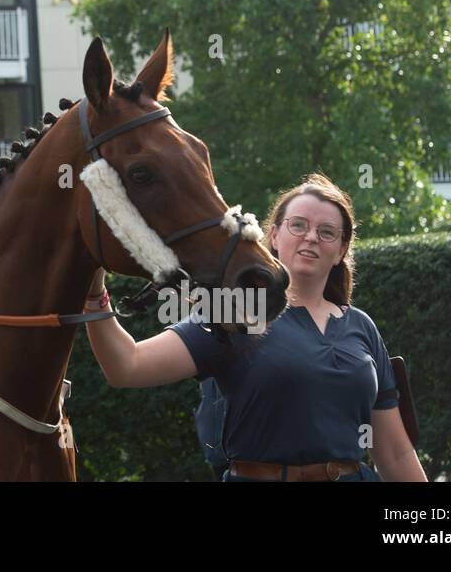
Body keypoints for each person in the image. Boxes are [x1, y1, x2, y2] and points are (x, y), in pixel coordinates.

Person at [84, 173, 427, 481]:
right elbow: (126, 366)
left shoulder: (361, 327)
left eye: (326, 232)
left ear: (340, 251)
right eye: (299, 225)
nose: (311, 237)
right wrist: (94, 294)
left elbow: (395, 454)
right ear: (274, 236)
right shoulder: (235, 315)